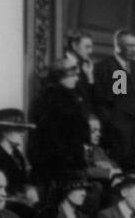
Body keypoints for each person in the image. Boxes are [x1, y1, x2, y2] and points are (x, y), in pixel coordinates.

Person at [92, 29, 135, 169]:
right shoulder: (103, 68)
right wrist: (114, 124)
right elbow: (101, 102)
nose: (134, 50)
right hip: (117, 135)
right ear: (118, 46)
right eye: (129, 46)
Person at [31, 57, 92, 187]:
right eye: (73, 75)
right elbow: (55, 134)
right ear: (61, 76)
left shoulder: (69, 96)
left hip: (65, 160)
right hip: (59, 163)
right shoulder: (53, 98)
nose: (77, 78)